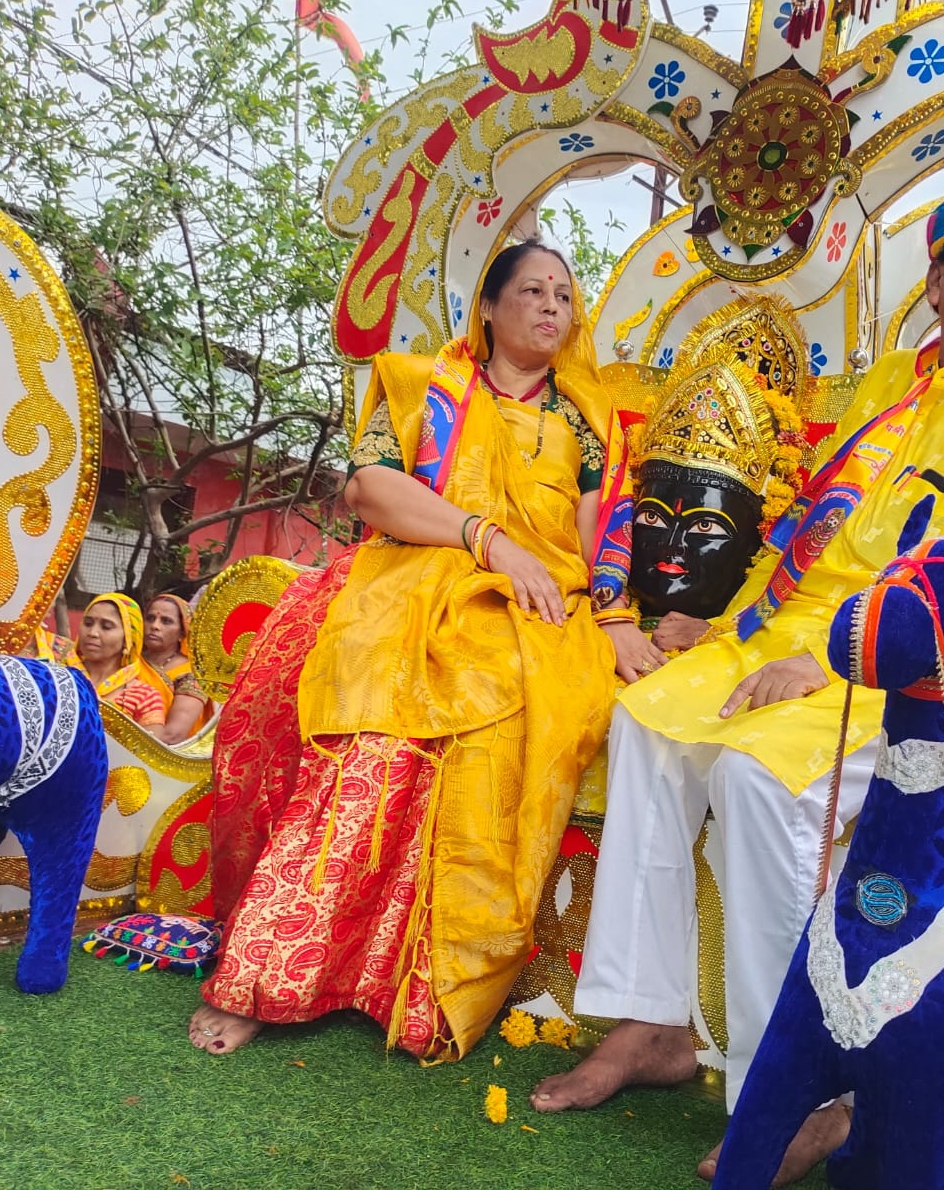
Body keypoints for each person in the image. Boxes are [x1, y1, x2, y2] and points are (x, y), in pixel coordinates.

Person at [529, 179, 944, 1183]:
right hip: (786, 637)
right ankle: (651, 1023)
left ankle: (800, 1087)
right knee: (647, 726)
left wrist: (837, 657)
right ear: (938, 283)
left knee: (756, 781)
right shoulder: (893, 382)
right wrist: (723, 624)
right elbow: (809, 529)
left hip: (915, 676)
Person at [188, 239, 661, 1060]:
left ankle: (419, 984)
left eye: (564, 296)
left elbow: (599, 534)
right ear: (487, 306)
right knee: (369, 713)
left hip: (533, 610)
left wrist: (615, 619)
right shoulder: (417, 388)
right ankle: (273, 972)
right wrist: (485, 540)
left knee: (498, 716)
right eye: (534, 291)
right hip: (401, 590)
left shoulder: (584, 426)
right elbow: (370, 490)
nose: (553, 307)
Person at [68, 592, 168, 732]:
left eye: (106, 627)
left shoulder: (145, 698)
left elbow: (146, 752)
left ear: (128, 637)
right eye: (88, 623)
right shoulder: (57, 676)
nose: (92, 633)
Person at [142, 592, 212, 743]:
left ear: (182, 631)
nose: (155, 626)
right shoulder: (130, 660)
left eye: (166, 621)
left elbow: (173, 734)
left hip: (155, 755)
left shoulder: (191, 674)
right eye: (150, 618)